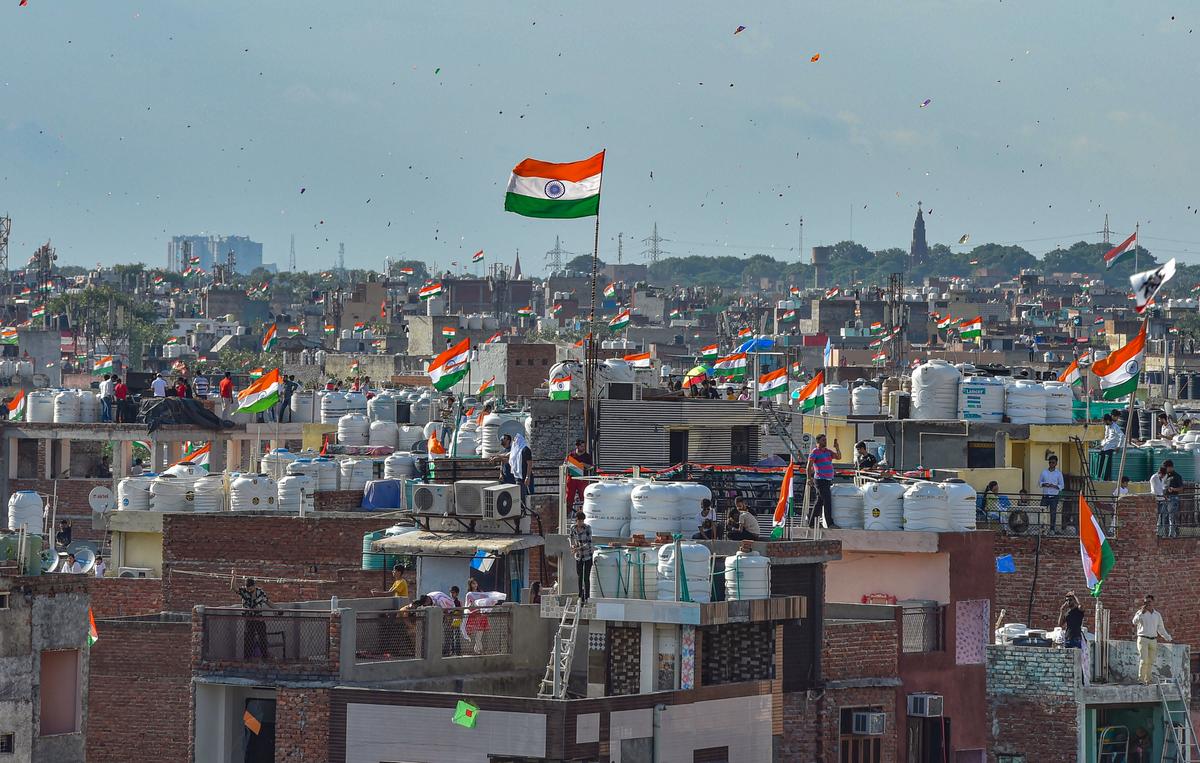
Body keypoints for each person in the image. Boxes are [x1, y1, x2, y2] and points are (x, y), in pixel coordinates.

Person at [1133, 594, 1171, 683]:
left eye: (1149, 602)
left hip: (1153, 639)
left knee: (1151, 661)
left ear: (1153, 602)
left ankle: (1148, 679)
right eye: (1145, 602)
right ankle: (1141, 679)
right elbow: (1134, 622)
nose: (1147, 604)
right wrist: (1141, 613)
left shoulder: (1157, 615)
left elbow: (1161, 628)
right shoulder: (1140, 612)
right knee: (1144, 660)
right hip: (1143, 639)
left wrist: (1168, 638)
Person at [806, 434, 841, 528]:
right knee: (827, 501)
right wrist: (809, 478)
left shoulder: (828, 451)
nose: (825, 442)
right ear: (818, 442)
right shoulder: (815, 452)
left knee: (819, 502)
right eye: (823, 440)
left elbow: (838, 457)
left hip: (827, 480)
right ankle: (830, 523)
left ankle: (811, 522)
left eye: (825, 440)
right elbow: (809, 466)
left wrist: (837, 448)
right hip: (820, 480)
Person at [237, 578, 272, 659]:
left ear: (253, 586)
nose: (249, 590)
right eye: (247, 588)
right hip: (249, 618)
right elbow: (233, 588)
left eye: (250, 588)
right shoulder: (244, 592)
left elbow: (268, 601)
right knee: (248, 638)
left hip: (258, 618)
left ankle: (264, 657)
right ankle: (247, 658)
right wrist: (234, 576)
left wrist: (277, 609)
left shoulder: (260, 592)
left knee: (262, 637)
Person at [568, 511, 594, 602]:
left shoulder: (588, 528)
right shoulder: (573, 528)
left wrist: (577, 548)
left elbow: (588, 543)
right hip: (578, 556)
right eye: (579, 521)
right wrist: (572, 545)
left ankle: (587, 596)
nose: (581, 523)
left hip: (587, 555)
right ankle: (580, 596)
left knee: (586, 577)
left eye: (582, 521)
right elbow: (571, 537)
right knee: (580, 576)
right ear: (576, 520)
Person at [501, 433, 534, 502]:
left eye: (516, 440)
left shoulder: (525, 449)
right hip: (518, 478)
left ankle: (527, 511)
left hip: (525, 477)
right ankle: (522, 510)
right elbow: (507, 456)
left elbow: (529, 464)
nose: (514, 442)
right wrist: (496, 457)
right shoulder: (516, 451)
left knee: (527, 496)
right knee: (519, 497)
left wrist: (528, 477)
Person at [564, 439, 593, 513]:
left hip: (582, 478)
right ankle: (567, 512)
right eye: (582, 446)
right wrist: (567, 464)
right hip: (572, 478)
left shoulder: (587, 456)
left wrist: (584, 464)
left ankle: (583, 512)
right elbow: (564, 464)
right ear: (577, 446)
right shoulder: (571, 455)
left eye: (584, 446)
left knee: (583, 496)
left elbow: (591, 466)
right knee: (569, 496)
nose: (583, 448)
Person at [1039, 455, 1065, 533]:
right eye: (1050, 462)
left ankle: (1052, 529)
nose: (1051, 464)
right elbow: (1039, 482)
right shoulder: (1044, 472)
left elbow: (1062, 485)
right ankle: (1042, 528)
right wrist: (1044, 484)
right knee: (1041, 511)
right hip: (1045, 495)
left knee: (1053, 513)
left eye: (1053, 462)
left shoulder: (1058, 474)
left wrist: (1054, 486)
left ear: (1056, 463)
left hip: (1054, 496)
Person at [1097, 413, 1123, 481]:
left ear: (1108, 420)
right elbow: (1106, 437)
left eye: (1104, 421)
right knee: (1100, 461)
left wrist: (1118, 446)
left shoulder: (1115, 427)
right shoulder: (1107, 426)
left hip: (1110, 448)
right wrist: (1102, 444)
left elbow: (1122, 436)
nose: (1104, 423)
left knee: (1107, 465)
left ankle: (1106, 479)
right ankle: (1099, 477)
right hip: (1105, 447)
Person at [1162, 459, 1183, 538]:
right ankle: (1165, 534)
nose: (1165, 469)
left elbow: (1181, 488)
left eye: (1166, 468)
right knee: (1165, 517)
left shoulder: (1177, 476)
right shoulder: (1165, 475)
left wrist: (1173, 489)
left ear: (1170, 467)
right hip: (1165, 498)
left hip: (1173, 498)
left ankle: (1172, 534)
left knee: (1172, 517)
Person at [1150, 465, 1168, 535]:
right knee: (1156, 516)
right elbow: (1155, 490)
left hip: (1162, 499)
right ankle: (1155, 531)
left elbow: (1162, 487)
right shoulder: (1154, 478)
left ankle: (1160, 532)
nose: (1163, 477)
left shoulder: (1162, 478)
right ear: (1160, 473)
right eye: (1163, 475)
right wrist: (1163, 495)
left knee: (1161, 517)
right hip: (1156, 499)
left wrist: (1165, 491)